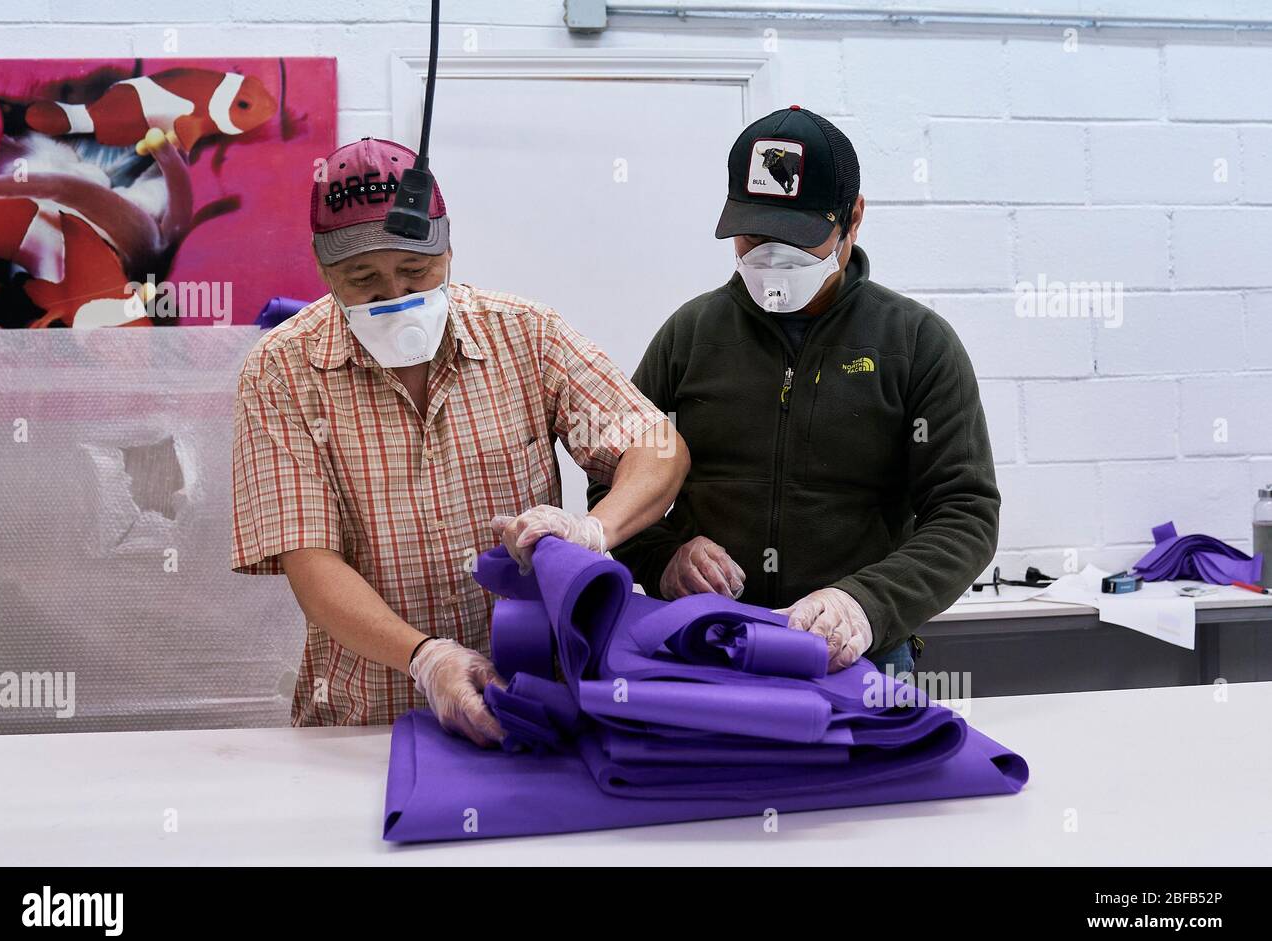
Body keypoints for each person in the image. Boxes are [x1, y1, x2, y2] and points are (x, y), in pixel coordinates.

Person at [231, 138, 688, 744]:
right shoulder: (282, 371)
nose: (394, 296)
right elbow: (312, 564)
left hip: (533, 703)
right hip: (368, 723)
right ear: (322, 270)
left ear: (447, 248)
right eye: (362, 279)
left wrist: (593, 531)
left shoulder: (525, 337)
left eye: (415, 271)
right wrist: (427, 659)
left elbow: (657, 445)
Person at [588, 107, 1000, 676]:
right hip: (708, 646)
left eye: (798, 238)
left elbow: (965, 515)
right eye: (755, 235)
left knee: (879, 768)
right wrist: (663, 560)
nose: (771, 258)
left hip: (863, 657)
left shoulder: (915, 343)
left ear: (853, 220)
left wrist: (864, 603)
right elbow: (613, 475)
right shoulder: (690, 336)